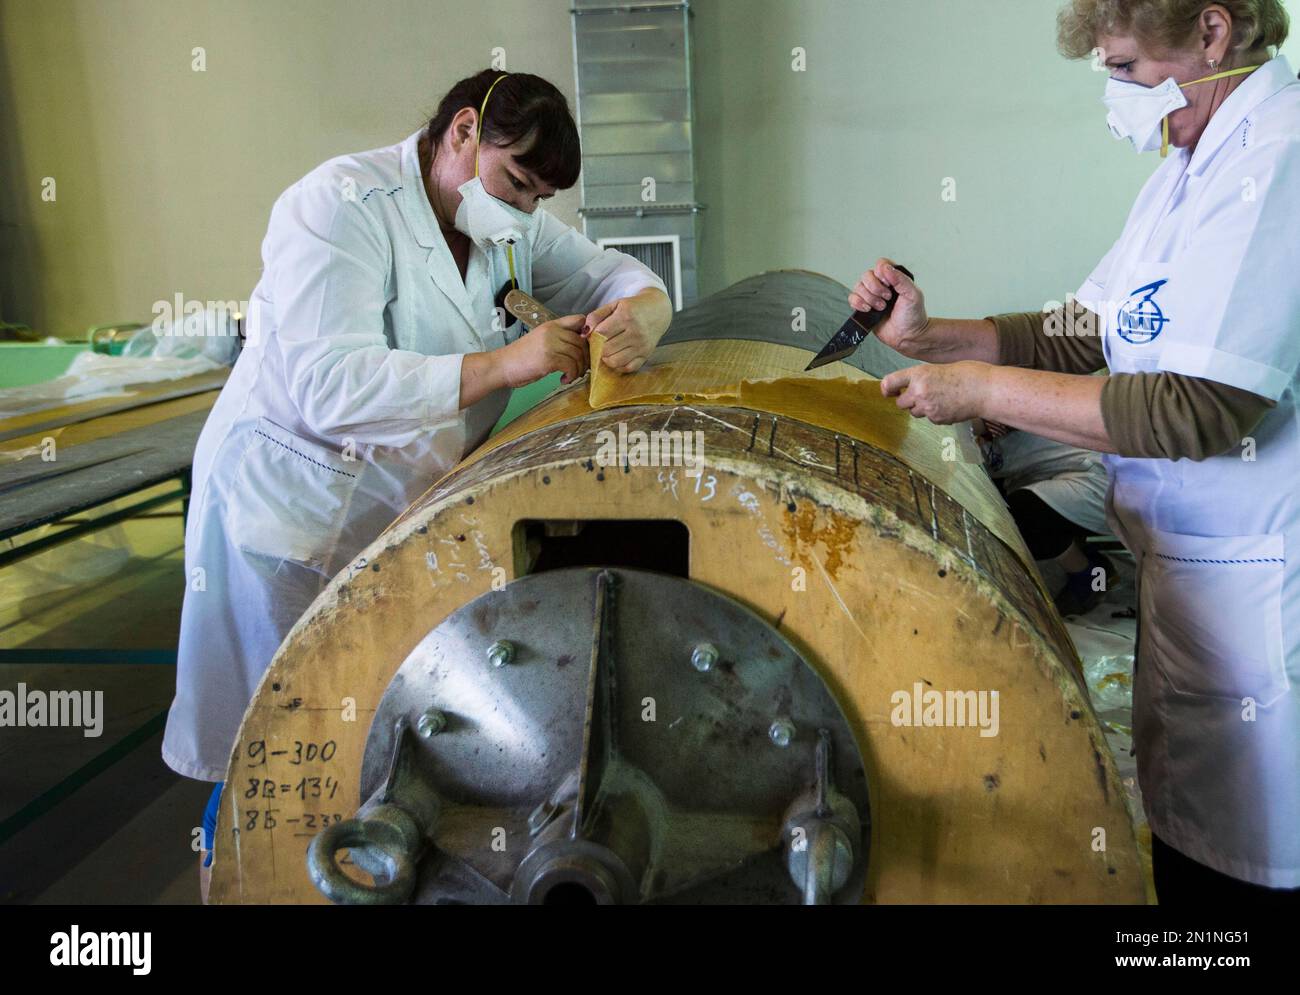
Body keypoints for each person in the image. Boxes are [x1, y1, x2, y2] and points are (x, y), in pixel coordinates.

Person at [163, 70, 672, 888]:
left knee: (369, 737)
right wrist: (506, 363)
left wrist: (645, 311)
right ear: (463, 131)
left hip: (397, 509)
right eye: (516, 180)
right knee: (274, 748)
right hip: (294, 514)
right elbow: (330, 385)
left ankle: (353, 870)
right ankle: (238, 879)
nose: (525, 209)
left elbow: (612, 273)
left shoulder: (504, 227)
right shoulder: (341, 205)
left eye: (540, 197)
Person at [852, 0, 1299, 901]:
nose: (1116, 95)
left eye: (1126, 68)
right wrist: (932, 337)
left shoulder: (1279, 158)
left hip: (1263, 584)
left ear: (1213, 32)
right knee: (1187, 849)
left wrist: (980, 393)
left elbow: (1200, 409)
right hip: (1189, 580)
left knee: (1249, 868)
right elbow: (1080, 329)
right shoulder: (1187, 167)